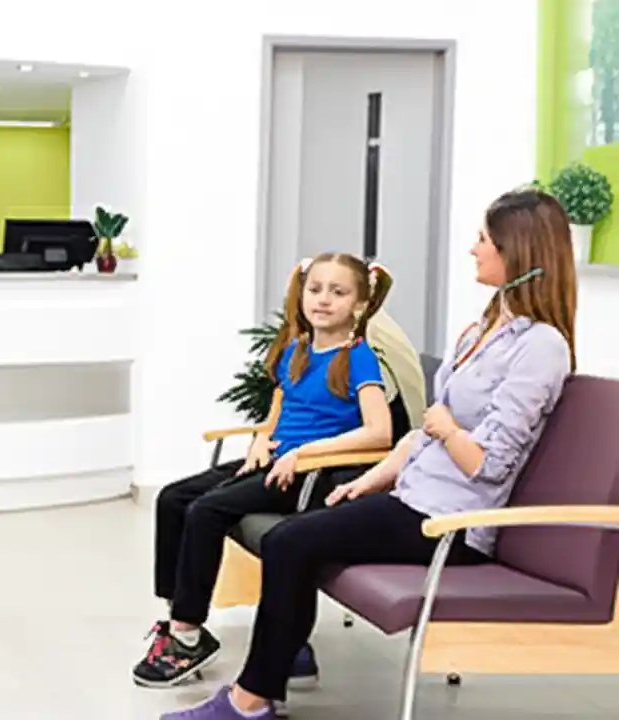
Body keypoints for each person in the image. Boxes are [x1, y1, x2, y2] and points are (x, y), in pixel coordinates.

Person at [163, 188, 577, 720]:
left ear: (517, 252)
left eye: (483, 240)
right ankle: (273, 672)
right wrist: (372, 479)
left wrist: (447, 427)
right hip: (411, 495)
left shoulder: (541, 346)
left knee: (290, 541)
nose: (474, 249)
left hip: (450, 522)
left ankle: (249, 702)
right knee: (289, 536)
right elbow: (418, 436)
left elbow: (487, 463)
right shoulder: (483, 329)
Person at [136, 253, 395, 690]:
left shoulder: (359, 359)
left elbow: (380, 433)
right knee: (173, 498)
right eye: (315, 289)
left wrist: (307, 451)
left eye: (338, 292)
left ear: (358, 304)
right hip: (275, 459)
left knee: (206, 510)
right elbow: (282, 401)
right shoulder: (297, 349)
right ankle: (178, 614)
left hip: (307, 475)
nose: (323, 300)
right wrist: (262, 437)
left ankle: (186, 634)